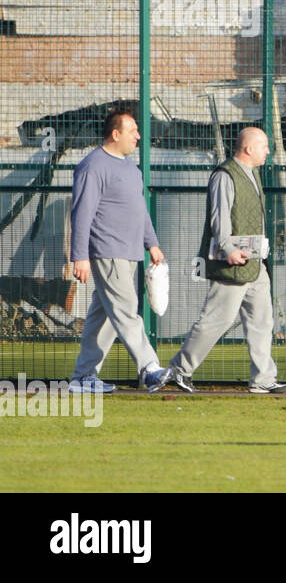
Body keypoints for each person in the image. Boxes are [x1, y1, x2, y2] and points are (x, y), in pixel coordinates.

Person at [168, 127, 286, 394]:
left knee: (262, 321)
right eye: (264, 146)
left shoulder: (253, 174)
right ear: (248, 148)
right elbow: (219, 217)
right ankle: (179, 370)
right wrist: (227, 249)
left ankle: (263, 380)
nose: (268, 151)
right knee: (216, 320)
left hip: (255, 265)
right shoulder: (225, 175)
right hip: (232, 263)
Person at [68, 109, 173, 394]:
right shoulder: (93, 166)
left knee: (102, 318)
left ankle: (83, 377)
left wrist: (151, 242)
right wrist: (79, 256)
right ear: (116, 134)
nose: (138, 136)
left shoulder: (130, 168)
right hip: (107, 252)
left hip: (129, 254)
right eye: (133, 131)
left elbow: (140, 210)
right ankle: (150, 368)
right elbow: (81, 214)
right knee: (126, 311)